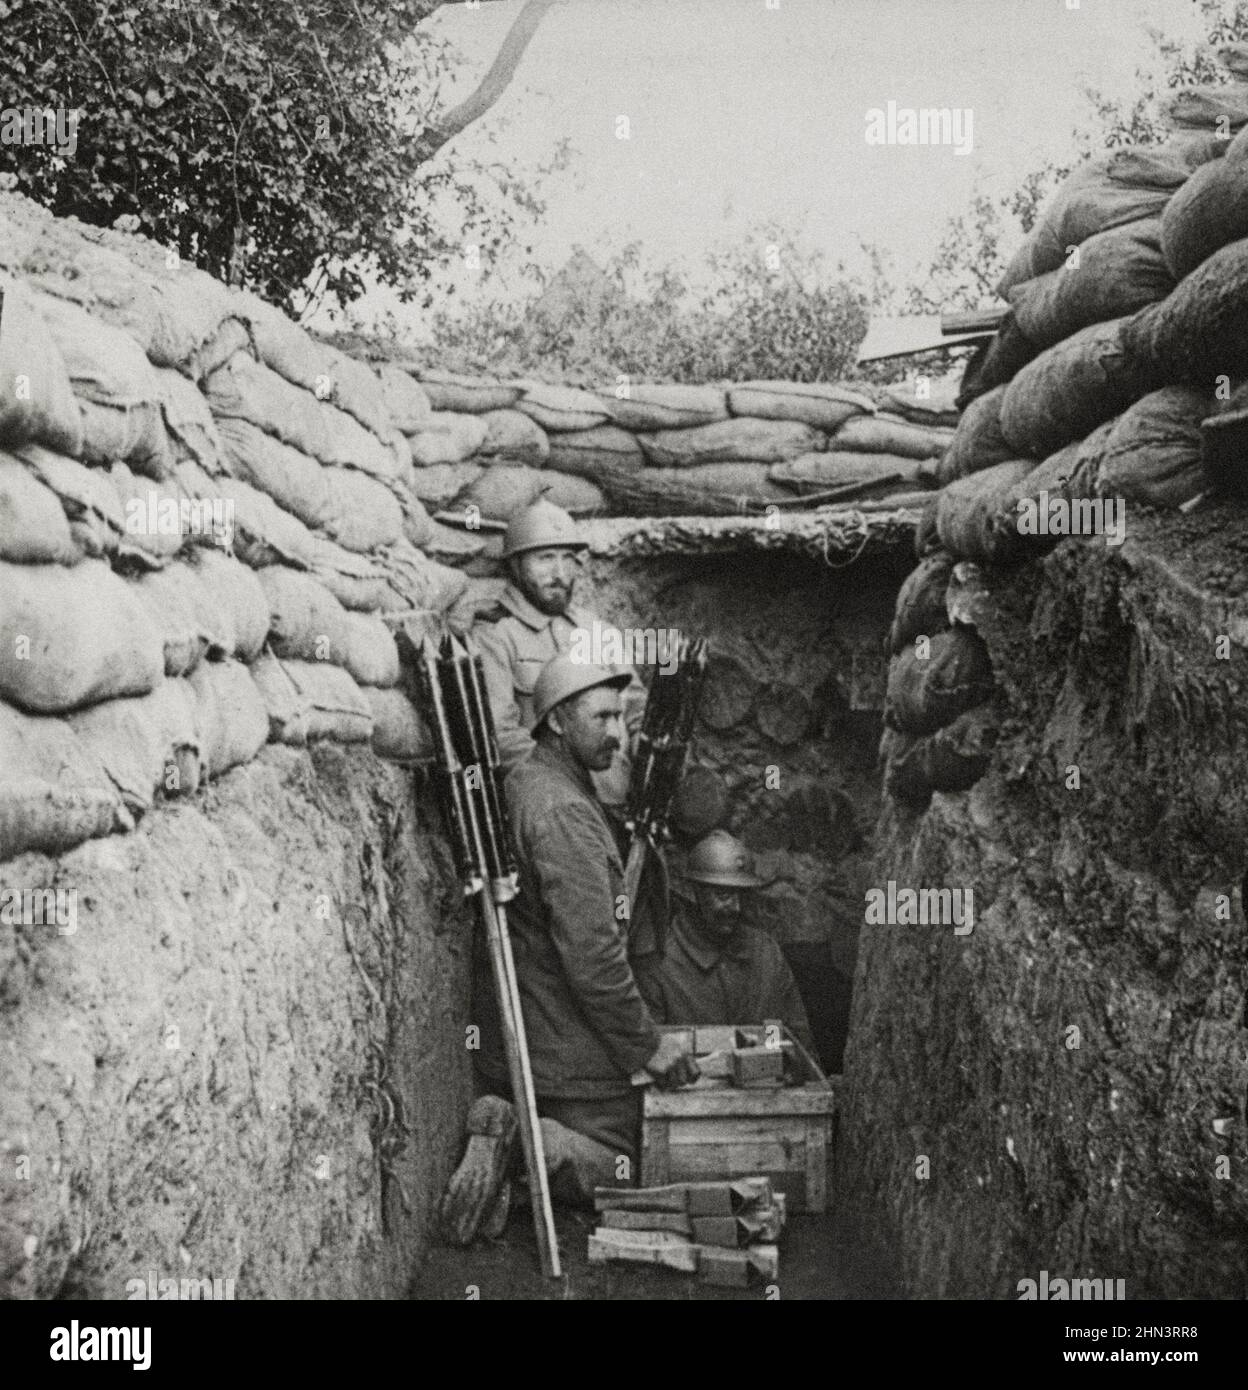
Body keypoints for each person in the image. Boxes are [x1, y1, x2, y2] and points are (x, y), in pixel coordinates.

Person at [439, 655, 698, 1246]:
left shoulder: (532, 784)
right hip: (560, 1047)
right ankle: (537, 1146)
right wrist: (646, 1046)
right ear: (556, 721)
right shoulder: (563, 814)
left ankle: (527, 1142)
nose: (618, 732)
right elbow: (596, 961)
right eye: (601, 716)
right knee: (646, 1164)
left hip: (539, 1030)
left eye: (622, 717)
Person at [471, 498, 645, 806]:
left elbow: (634, 704)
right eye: (545, 558)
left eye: (568, 558)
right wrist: (570, 781)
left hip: (621, 795)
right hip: (552, 800)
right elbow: (500, 735)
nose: (560, 573)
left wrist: (646, 747)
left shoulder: (597, 631)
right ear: (515, 565)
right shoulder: (496, 636)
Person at [634, 829, 815, 1054]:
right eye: (723, 895)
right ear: (693, 892)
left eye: (742, 895)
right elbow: (649, 1053)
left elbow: (797, 1039)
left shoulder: (765, 952)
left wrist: (785, 1061)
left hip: (763, 1085)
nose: (736, 908)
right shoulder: (661, 962)